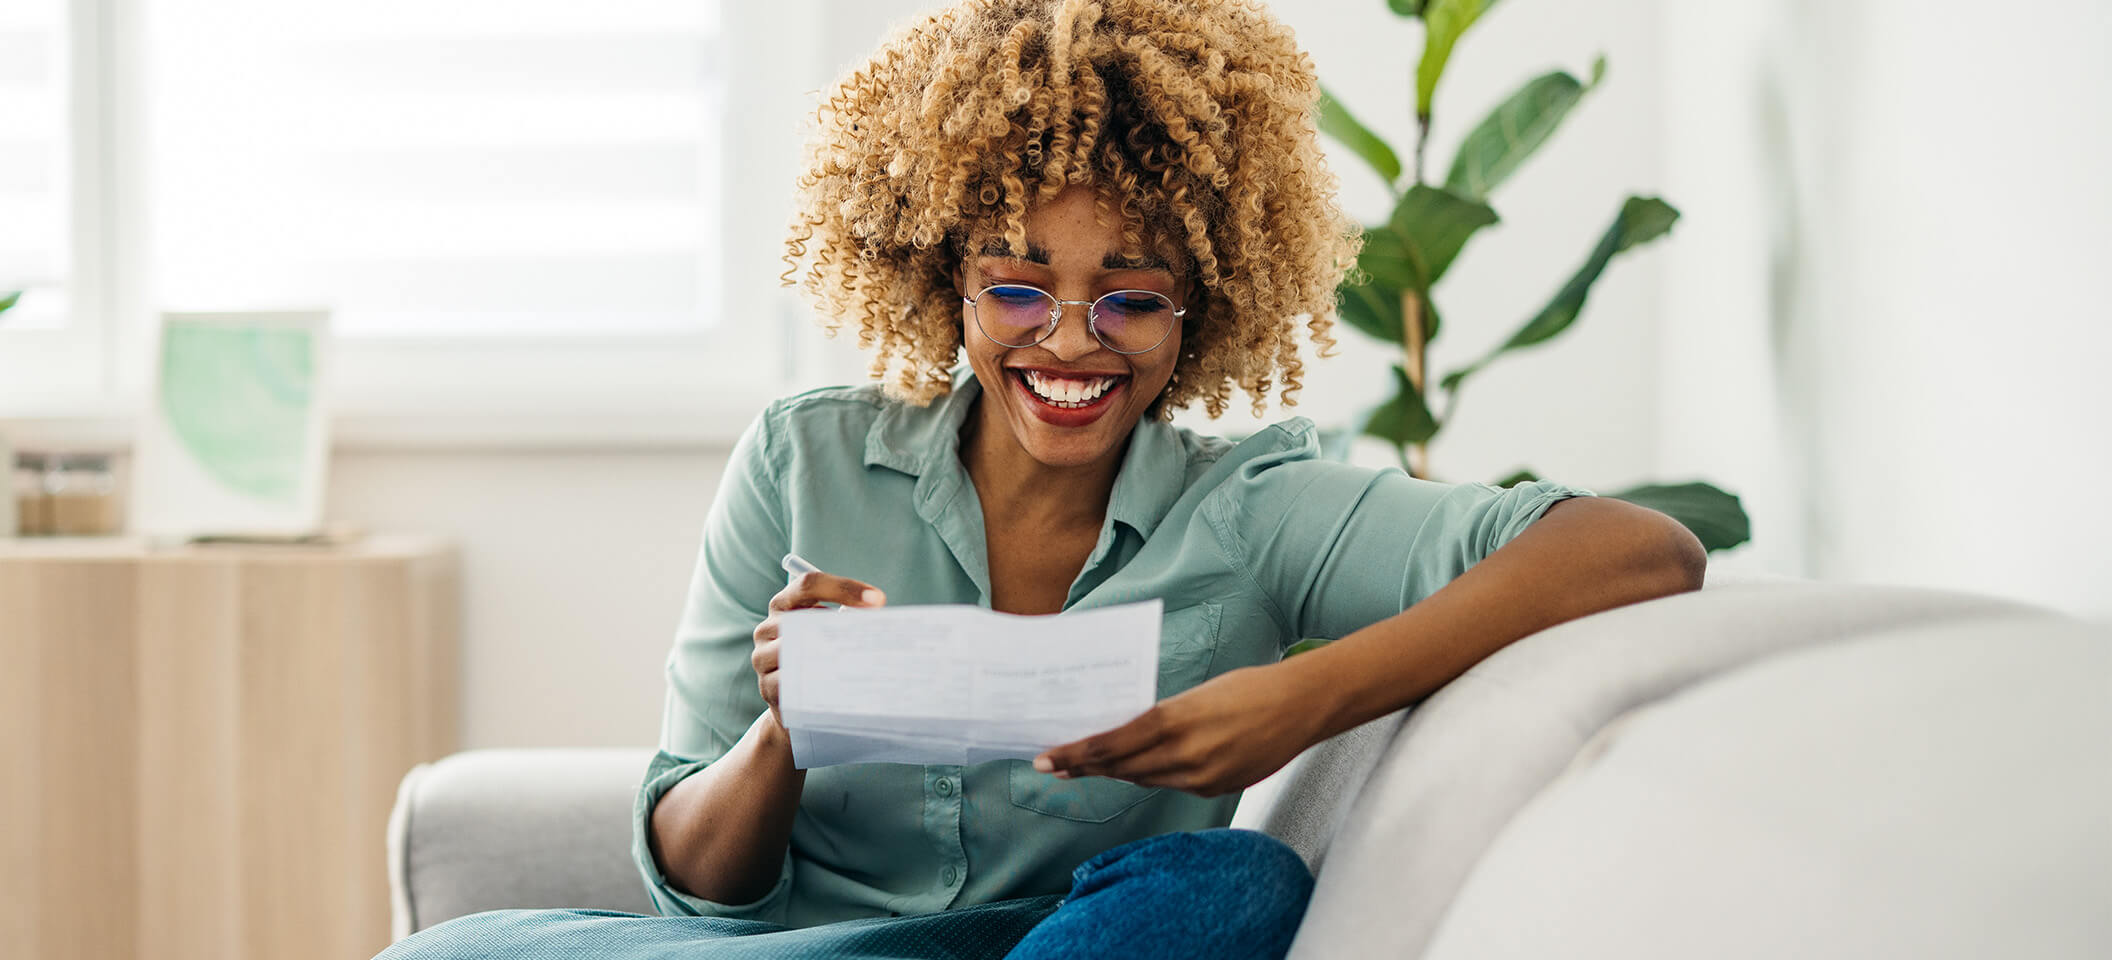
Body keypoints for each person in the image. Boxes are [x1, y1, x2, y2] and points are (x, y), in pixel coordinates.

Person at [377, 0, 1704, 957]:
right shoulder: (807, 460)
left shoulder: (1254, 509)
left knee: (1227, 885)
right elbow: (697, 884)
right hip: (796, 952)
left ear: (1203, 311)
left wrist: (1295, 701)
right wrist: (790, 732)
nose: (1068, 341)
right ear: (941, 280)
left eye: (1131, 298)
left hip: (1053, 947)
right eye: (1016, 286)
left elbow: (1642, 552)